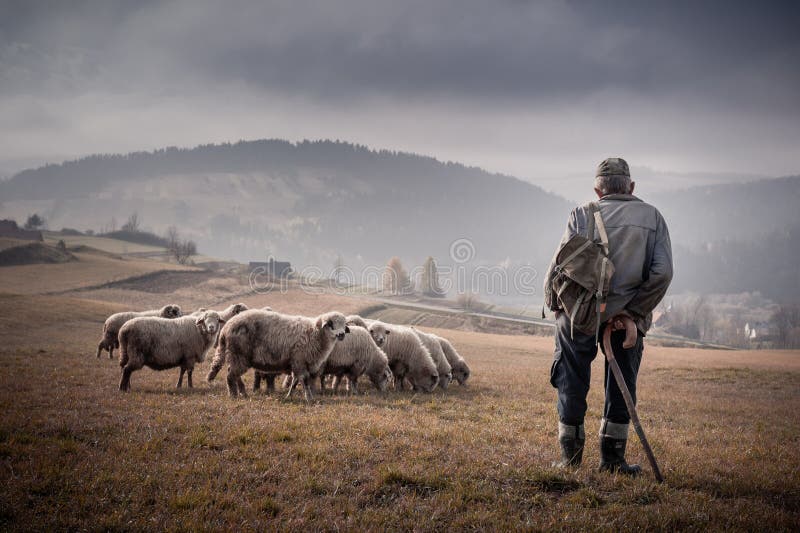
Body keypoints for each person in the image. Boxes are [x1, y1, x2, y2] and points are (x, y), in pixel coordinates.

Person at [544, 157, 673, 475]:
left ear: (597, 191)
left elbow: (560, 266)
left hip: (579, 315)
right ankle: (612, 460)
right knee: (622, 385)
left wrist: (554, 304)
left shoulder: (581, 213)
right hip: (626, 319)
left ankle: (569, 458)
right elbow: (663, 273)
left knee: (571, 379)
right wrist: (633, 312)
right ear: (631, 187)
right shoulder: (653, 217)